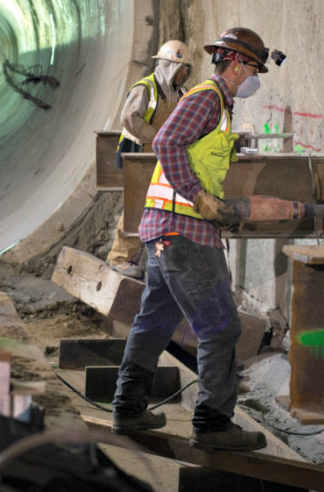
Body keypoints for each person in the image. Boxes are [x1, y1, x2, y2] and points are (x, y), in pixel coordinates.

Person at [111, 28, 271, 452]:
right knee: (221, 327)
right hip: (185, 231)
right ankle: (213, 423)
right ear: (237, 65)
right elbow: (165, 140)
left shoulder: (217, 105)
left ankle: (128, 408)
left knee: (155, 322)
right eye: (255, 69)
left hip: (165, 230)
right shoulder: (208, 97)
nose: (255, 78)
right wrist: (199, 195)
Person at [108, 40, 192, 279]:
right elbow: (129, 118)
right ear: (170, 67)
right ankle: (120, 258)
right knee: (136, 206)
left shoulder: (181, 93)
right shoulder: (145, 89)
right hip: (140, 157)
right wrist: (158, 138)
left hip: (163, 158)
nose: (185, 74)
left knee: (163, 208)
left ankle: (160, 258)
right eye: (182, 69)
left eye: (187, 69)